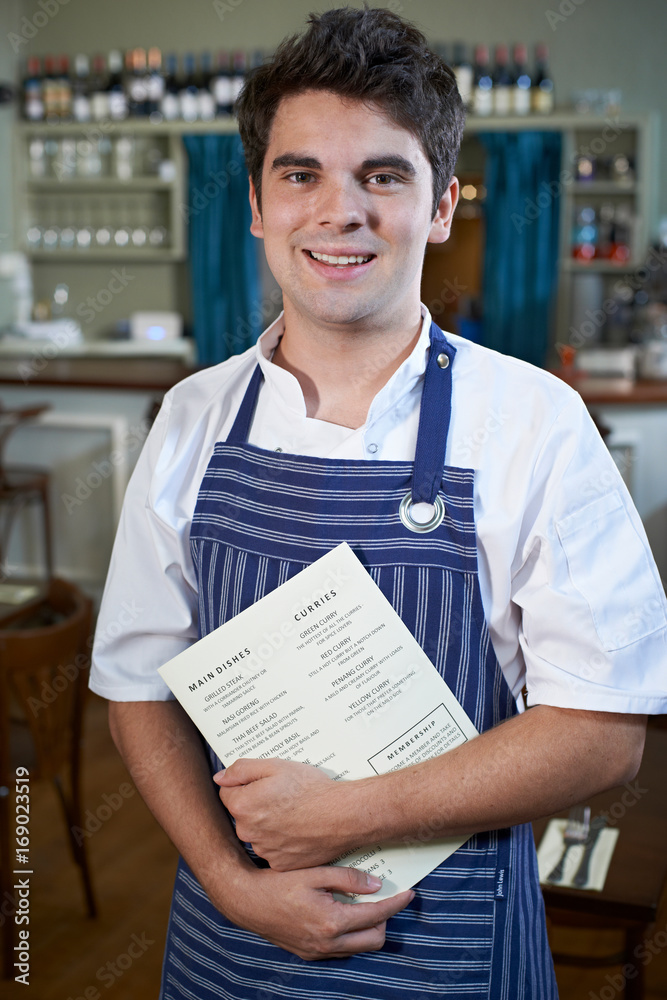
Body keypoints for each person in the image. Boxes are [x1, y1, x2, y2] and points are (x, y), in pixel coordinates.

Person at [90, 7, 667, 998]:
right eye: (300, 173)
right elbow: (137, 688)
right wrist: (232, 883)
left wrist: (348, 813)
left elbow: (600, 732)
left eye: (383, 176)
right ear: (260, 207)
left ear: (441, 203)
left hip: (457, 955)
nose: (339, 210)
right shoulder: (191, 418)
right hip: (230, 947)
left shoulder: (534, 421)